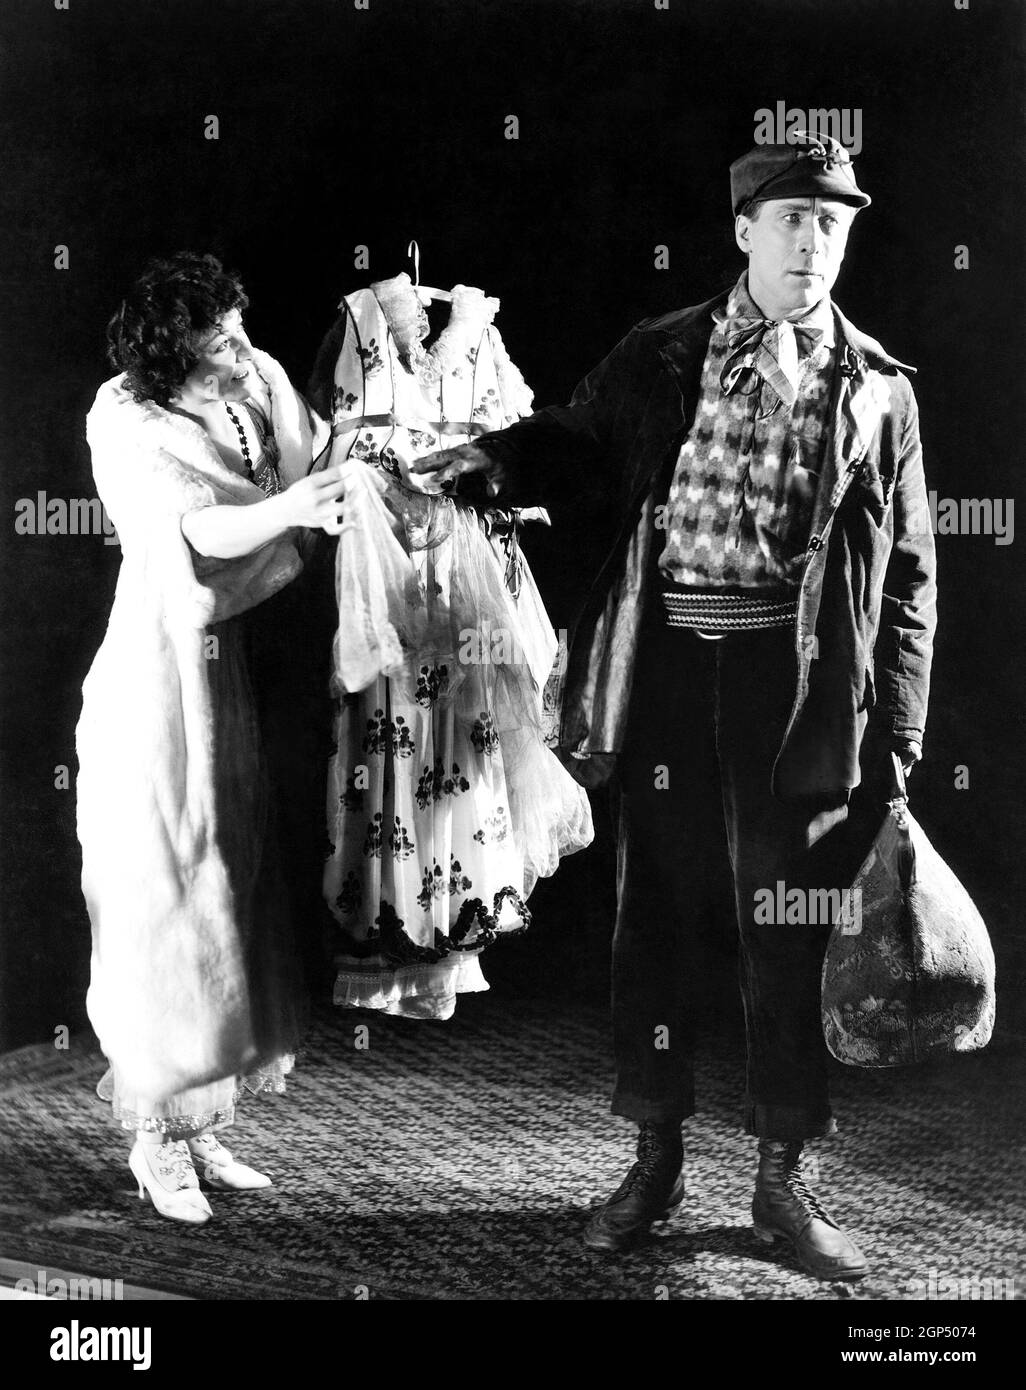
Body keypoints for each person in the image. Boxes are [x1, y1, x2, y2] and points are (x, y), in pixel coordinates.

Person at [413, 135, 937, 1279]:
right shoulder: (664, 353)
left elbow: (909, 580)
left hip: (795, 699)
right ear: (744, 231)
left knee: (782, 934)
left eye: (832, 225)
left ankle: (782, 1183)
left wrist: (897, 734)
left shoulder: (879, 391)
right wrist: (486, 460)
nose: (813, 244)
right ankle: (654, 1156)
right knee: (652, 922)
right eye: (792, 220)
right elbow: (578, 447)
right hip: (664, 676)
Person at [78, 252, 344, 1224]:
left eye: (239, 328)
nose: (240, 349)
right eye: (219, 339)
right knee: (170, 892)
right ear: (173, 355)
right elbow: (194, 533)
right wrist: (296, 506)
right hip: (154, 680)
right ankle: (155, 1141)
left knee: (230, 879)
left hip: (217, 665)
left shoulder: (245, 383)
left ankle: (195, 1121)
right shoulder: (126, 418)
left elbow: (309, 451)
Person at [309, 273, 593, 1019]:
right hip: (389, 592)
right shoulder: (359, 328)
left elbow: (529, 466)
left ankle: (454, 929)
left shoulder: (483, 340)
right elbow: (320, 464)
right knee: (392, 748)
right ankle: (395, 931)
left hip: (473, 593)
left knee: (472, 750)